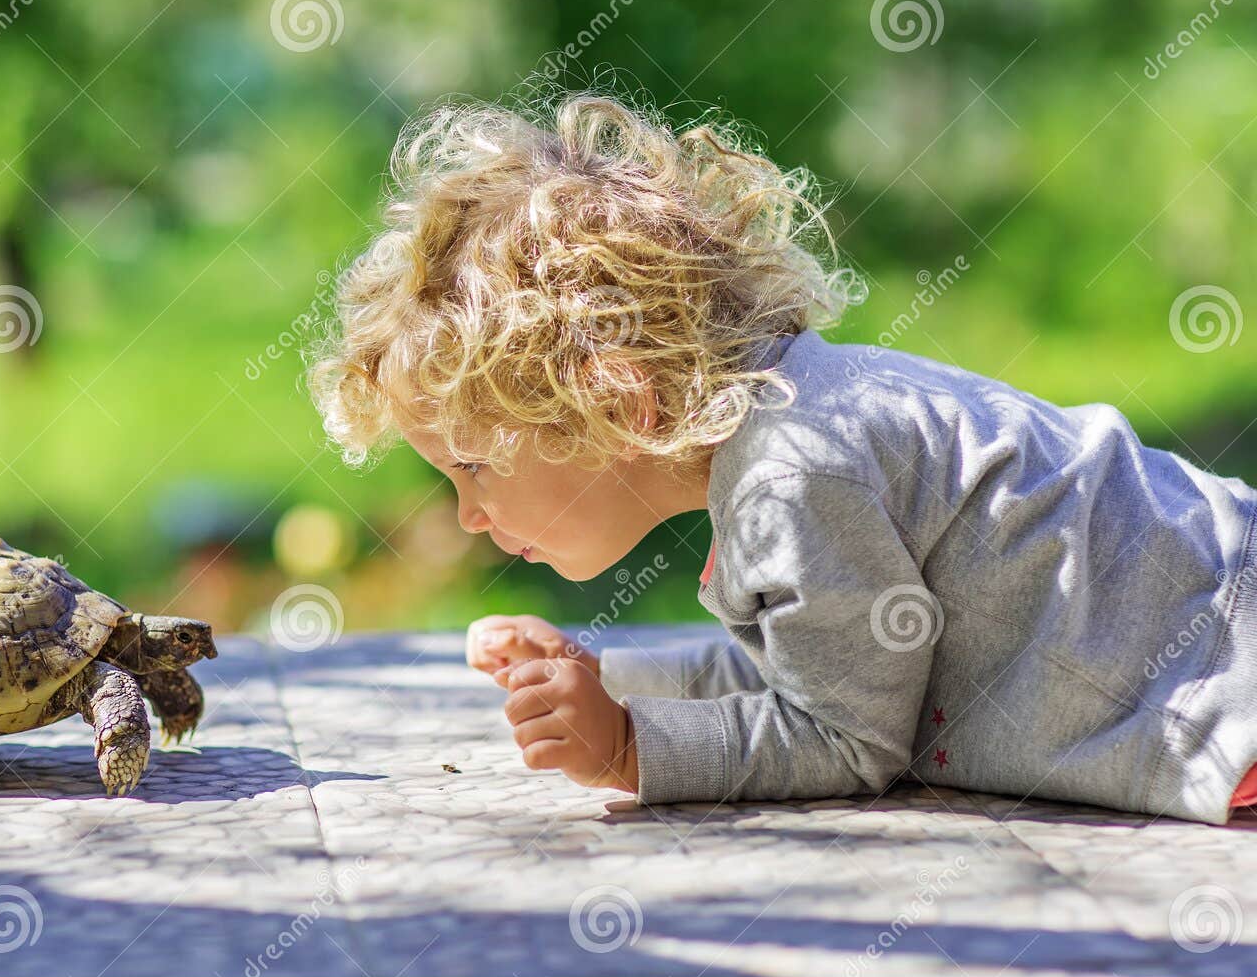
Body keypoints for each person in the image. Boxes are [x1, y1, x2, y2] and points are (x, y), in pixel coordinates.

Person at [306, 91, 1257, 826]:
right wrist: (602, 676)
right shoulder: (784, 429)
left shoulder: (793, 473)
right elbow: (813, 676)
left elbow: (847, 739)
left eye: (472, 466)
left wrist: (626, 748)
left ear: (614, 403)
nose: (466, 514)